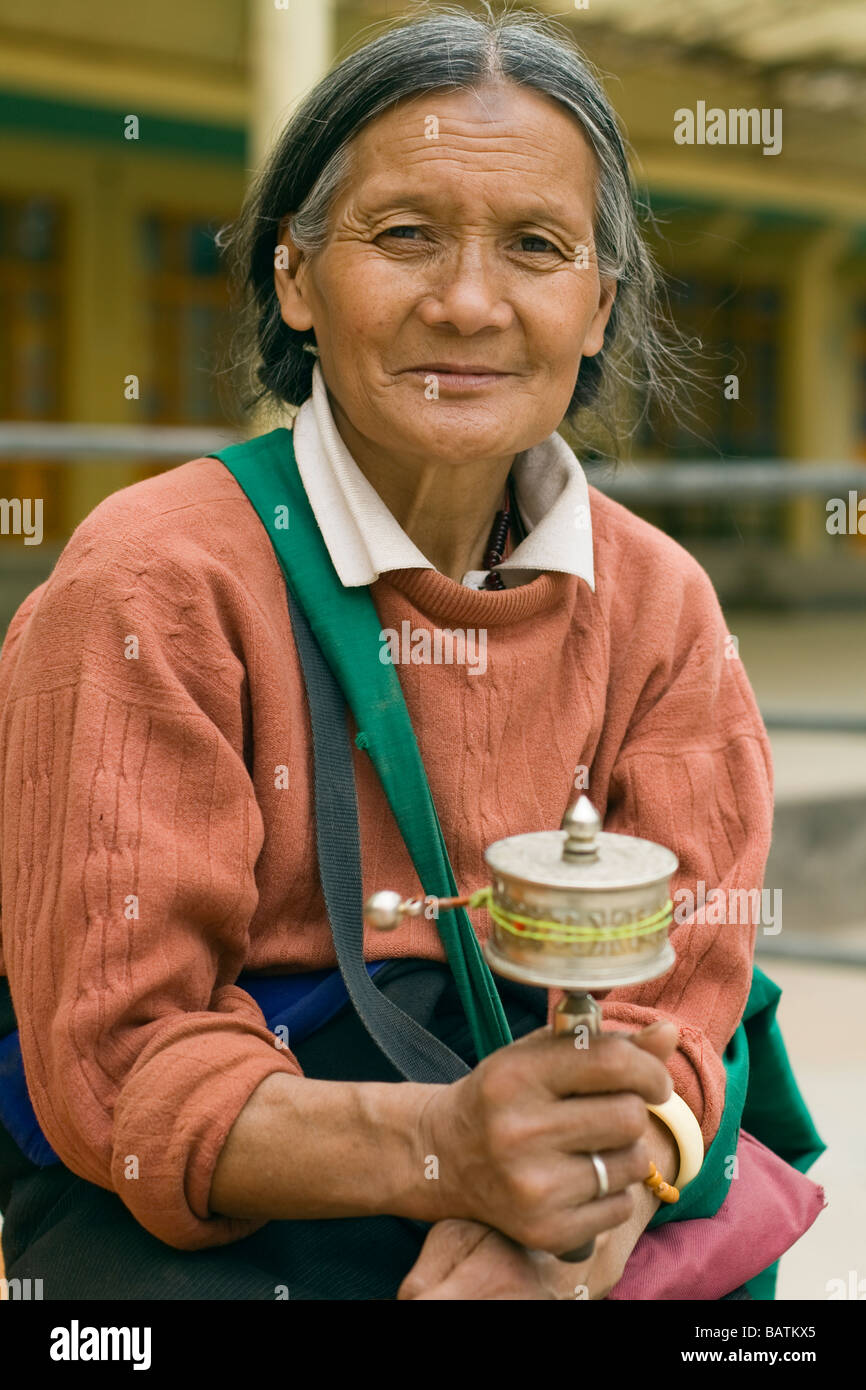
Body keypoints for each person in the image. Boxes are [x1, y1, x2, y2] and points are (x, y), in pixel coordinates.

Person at [0, 8, 804, 1301]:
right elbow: (117, 1057)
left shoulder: (658, 602)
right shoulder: (154, 578)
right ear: (295, 277)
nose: (467, 301)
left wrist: (567, 1242)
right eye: (404, 234)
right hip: (257, 1230)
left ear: (597, 308)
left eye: (534, 247)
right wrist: (446, 1156)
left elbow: (685, 1000)